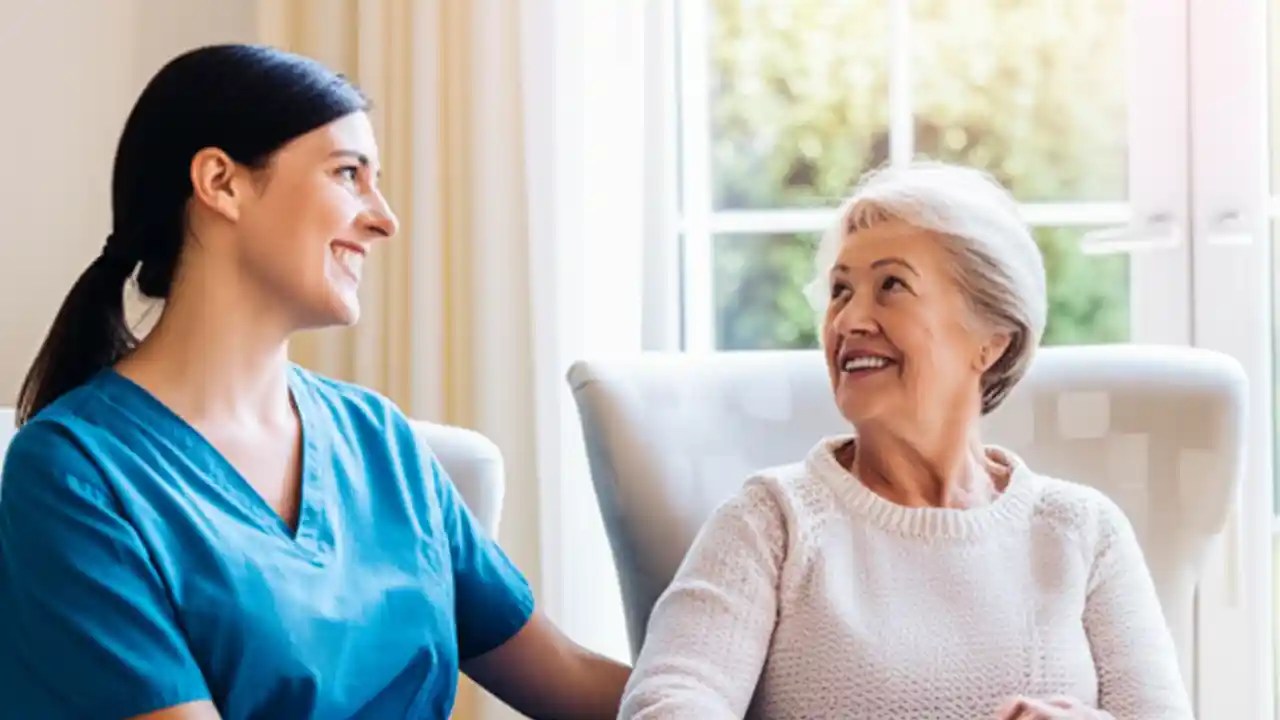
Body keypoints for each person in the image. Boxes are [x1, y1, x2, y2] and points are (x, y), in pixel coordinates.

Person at [0, 44, 628, 720]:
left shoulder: (378, 439)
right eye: (348, 174)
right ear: (221, 182)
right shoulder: (73, 476)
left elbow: (567, 679)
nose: (384, 218)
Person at [618, 162, 1193, 720]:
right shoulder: (773, 521)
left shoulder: (1083, 531)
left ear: (991, 341)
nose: (848, 321)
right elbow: (668, 701)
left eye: (891, 286)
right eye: (840, 291)